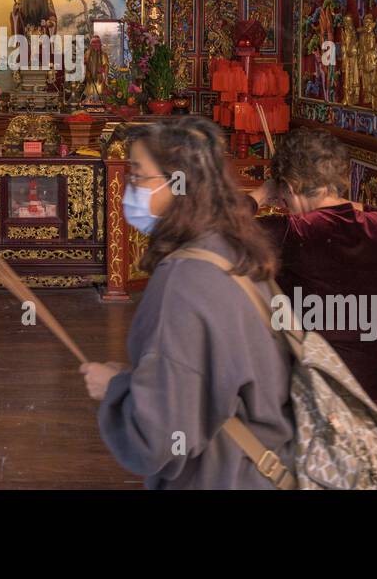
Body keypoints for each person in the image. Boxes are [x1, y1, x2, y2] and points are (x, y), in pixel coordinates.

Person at [79, 117, 295, 489]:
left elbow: (160, 438)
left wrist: (115, 388)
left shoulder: (185, 280)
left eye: (139, 175)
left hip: (223, 476)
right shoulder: (232, 251)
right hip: (263, 466)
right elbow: (208, 377)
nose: (130, 189)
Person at [247, 128, 377, 412]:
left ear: (290, 187)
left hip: (314, 390)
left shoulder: (292, 233)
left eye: (286, 196)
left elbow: (216, 228)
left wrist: (264, 192)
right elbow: (356, 213)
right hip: (371, 385)